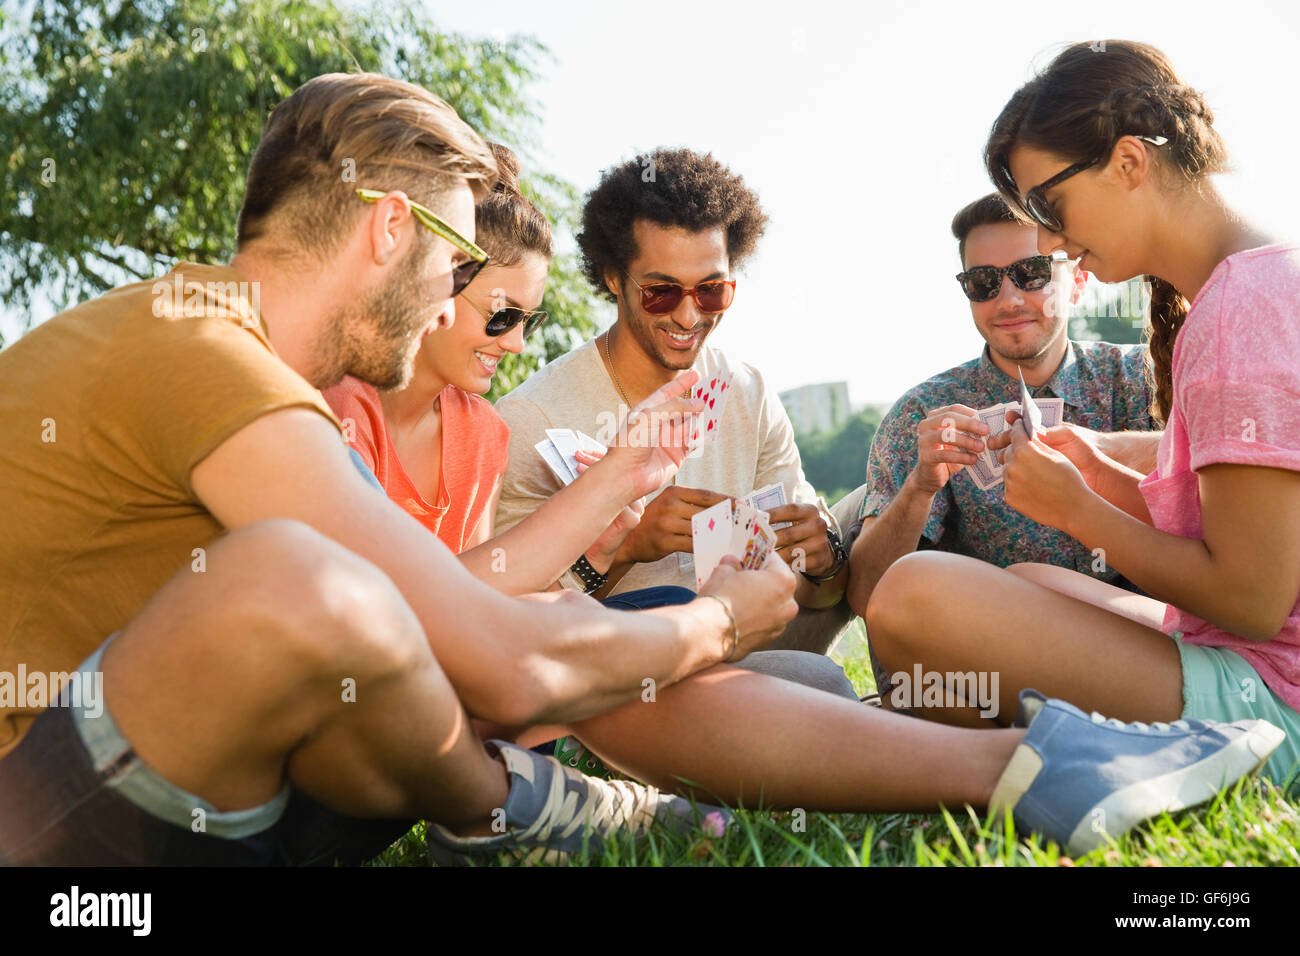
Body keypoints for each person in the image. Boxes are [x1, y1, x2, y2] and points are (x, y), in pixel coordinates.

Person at [0, 72, 1280, 867]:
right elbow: (478, 646)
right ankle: (539, 801)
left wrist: (630, 517)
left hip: (244, 776)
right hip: (88, 824)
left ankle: (534, 800)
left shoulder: (236, 366)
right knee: (320, 588)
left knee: (494, 621)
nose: (462, 303)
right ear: (394, 226)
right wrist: (716, 611)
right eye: (457, 275)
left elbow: (452, 608)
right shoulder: (207, 353)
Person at [865, 39, 1300, 794]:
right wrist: (1099, 475)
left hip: (1270, 707)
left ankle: (1056, 757)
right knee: (1029, 576)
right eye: (983, 280)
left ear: (1131, 163)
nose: (1059, 242)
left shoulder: (1237, 316)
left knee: (914, 595)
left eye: (1051, 209)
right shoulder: (1256, 281)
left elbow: (1252, 601)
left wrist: (1079, 510)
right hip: (1263, 667)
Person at [493, 149, 853, 637]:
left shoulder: (749, 392)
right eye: (660, 292)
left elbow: (824, 597)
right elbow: (503, 621)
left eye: (711, 291)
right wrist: (629, 547)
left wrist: (824, 560)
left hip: (745, 655)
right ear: (613, 277)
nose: (688, 316)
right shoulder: (532, 418)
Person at [845, 194, 1162, 624]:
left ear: (1079, 281)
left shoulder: (1142, 380)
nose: (1008, 300)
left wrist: (1106, 450)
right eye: (983, 282)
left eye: (1032, 274)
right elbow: (868, 598)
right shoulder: (922, 412)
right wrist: (919, 488)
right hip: (999, 659)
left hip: (1146, 649)